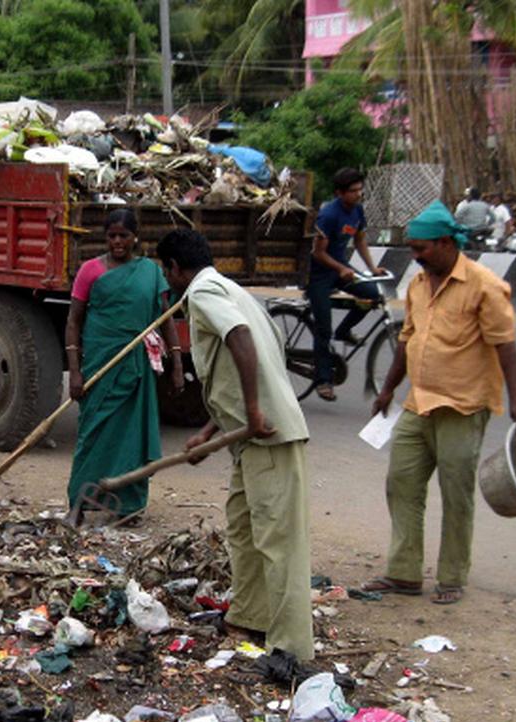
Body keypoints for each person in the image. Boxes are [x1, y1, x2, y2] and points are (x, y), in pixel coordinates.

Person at [156, 229, 314, 661]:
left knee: (279, 541)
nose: (166, 280)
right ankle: (249, 616)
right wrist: (208, 434)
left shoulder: (203, 292)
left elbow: (240, 338)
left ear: (173, 267)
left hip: (269, 435)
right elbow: (242, 365)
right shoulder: (230, 289)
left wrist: (253, 409)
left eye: (165, 270)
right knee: (243, 529)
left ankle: (291, 648)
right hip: (251, 438)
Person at [364, 201, 516, 605]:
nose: (415, 257)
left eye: (421, 249)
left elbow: (505, 346)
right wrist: (387, 389)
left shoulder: (484, 285)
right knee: (401, 483)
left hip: (464, 404)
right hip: (417, 402)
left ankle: (452, 576)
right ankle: (403, 572)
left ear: (444, 243)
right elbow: (406, 340)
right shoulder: (419, 284)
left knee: (456, 493)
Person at [65, 208, 184, 521]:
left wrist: (177, 364)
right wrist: (75, 370)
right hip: (100, 366)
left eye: (123, 235)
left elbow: (165, 319)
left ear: (135, 237)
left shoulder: (150, 272)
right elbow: (73, 321)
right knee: (92, 433)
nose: (117, 242)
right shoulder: (90, 271)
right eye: (111, 236)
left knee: (133, 437)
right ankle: (79, 502)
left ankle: (127, 508)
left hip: (136, 368)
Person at [305, 168, 387, 401]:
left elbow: (359, 239)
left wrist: (371, 268)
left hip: (340, 268)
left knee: (373, 295)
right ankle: (323, 381)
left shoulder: (357, 210)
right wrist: (340, 268)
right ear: (339, 193)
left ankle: (344, 331)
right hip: (319, 274)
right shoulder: (329, 215)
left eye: (360, 189)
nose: (358, 194)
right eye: (353, 191)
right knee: (323, 329)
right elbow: (318, 252)